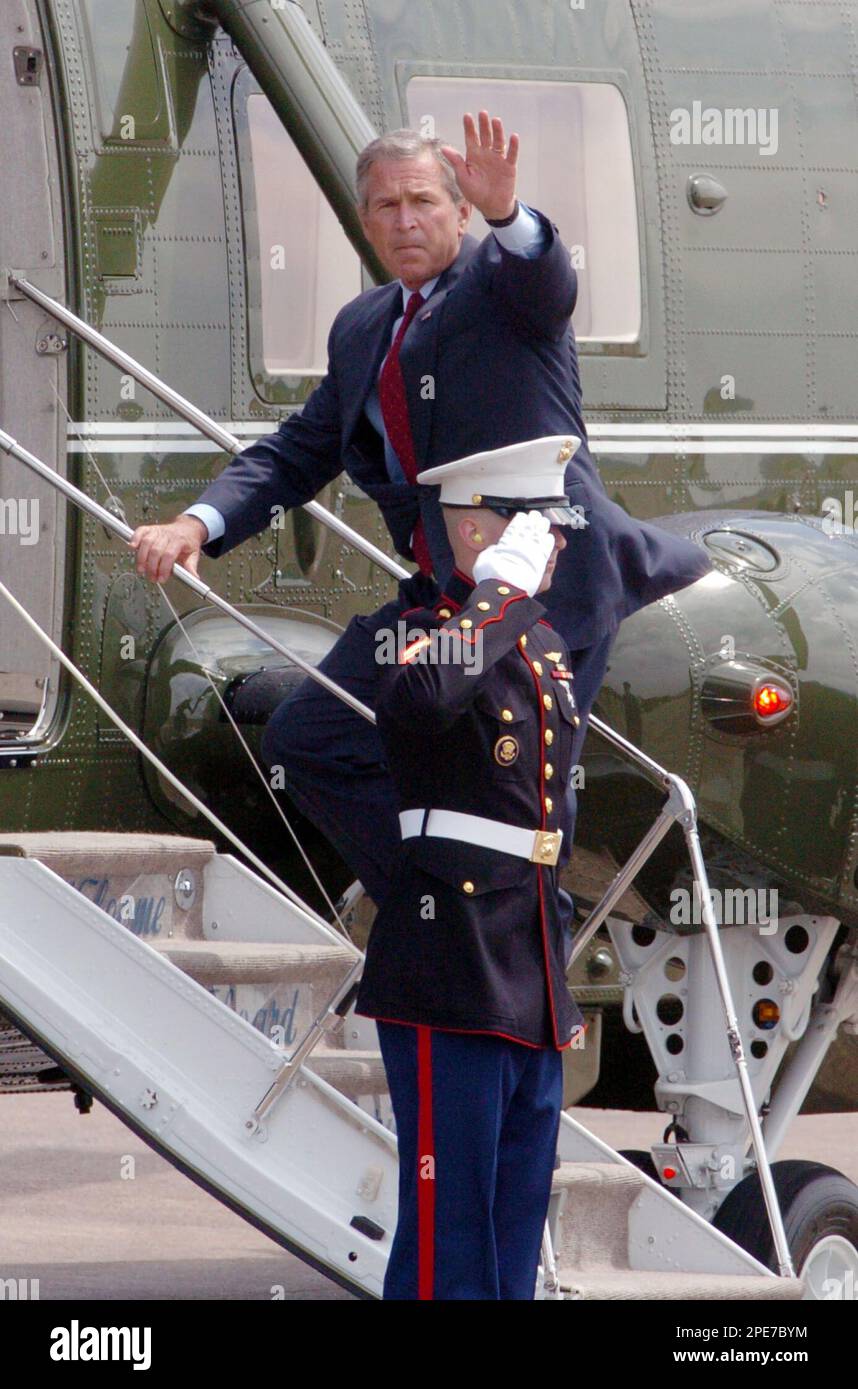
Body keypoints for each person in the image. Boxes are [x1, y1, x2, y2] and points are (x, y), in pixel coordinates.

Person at [129, 111, 711, 905]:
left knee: (524, 784)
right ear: (365, 222)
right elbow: (303, 447)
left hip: (547, 585)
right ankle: (429, 910)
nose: (406, 221)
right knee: (311, 737)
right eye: (386, 207)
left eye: (425, 202)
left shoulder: (502, 288)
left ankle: (523, 945)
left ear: (460, 212)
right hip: (443, 590)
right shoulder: (363, 326)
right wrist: (197, 522)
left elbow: (548, 282)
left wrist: (511, 214)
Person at [355, 434, 594, 1300]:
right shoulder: (417, 632)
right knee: (447, 1236)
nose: (555, 544)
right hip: (449, 960)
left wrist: (507, 606)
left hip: (526, 967)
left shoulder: (538, 644)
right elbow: (422, 701)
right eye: (533, 527)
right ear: (472, 532)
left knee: (511, 1229)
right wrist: (496, 593)